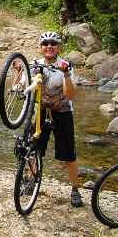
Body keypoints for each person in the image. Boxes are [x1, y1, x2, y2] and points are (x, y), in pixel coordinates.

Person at [32, 31, 83, 207]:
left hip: (62, 112)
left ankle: (75, 189)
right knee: (34, 149)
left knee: (69, 154)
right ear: (40, 48)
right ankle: (31, 180)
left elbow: (70, 95)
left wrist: (66, 74)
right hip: (40, 111)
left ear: (58, 47)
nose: (49, 46)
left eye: (53, 43)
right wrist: (17, 73)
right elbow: (25, 88)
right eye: (45, 44)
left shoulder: (65, 65)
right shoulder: (34, 64)